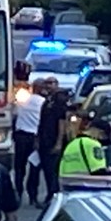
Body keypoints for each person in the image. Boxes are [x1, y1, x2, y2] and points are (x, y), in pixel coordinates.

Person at [12, 79, 46, 206]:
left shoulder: (22, 100)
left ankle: (19, 192)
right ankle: (33, 195)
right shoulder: (43, 103)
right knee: (34, 168)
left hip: (21, 137)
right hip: (35, 138)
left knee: (19, 167)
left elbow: (14, 114)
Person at [34, 77, 66, 207]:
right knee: (46, 171)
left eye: (51, 83)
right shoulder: (47, 101)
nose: (48, 86)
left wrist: (59, 142)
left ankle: (53, 197)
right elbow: (41, 123)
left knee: (52, 171)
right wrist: (37, 139)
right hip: (44, 141)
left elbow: (61, 122)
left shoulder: (59, 101)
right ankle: (50, 195)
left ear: (57, 85)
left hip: (53, 140)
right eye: (46, 83)